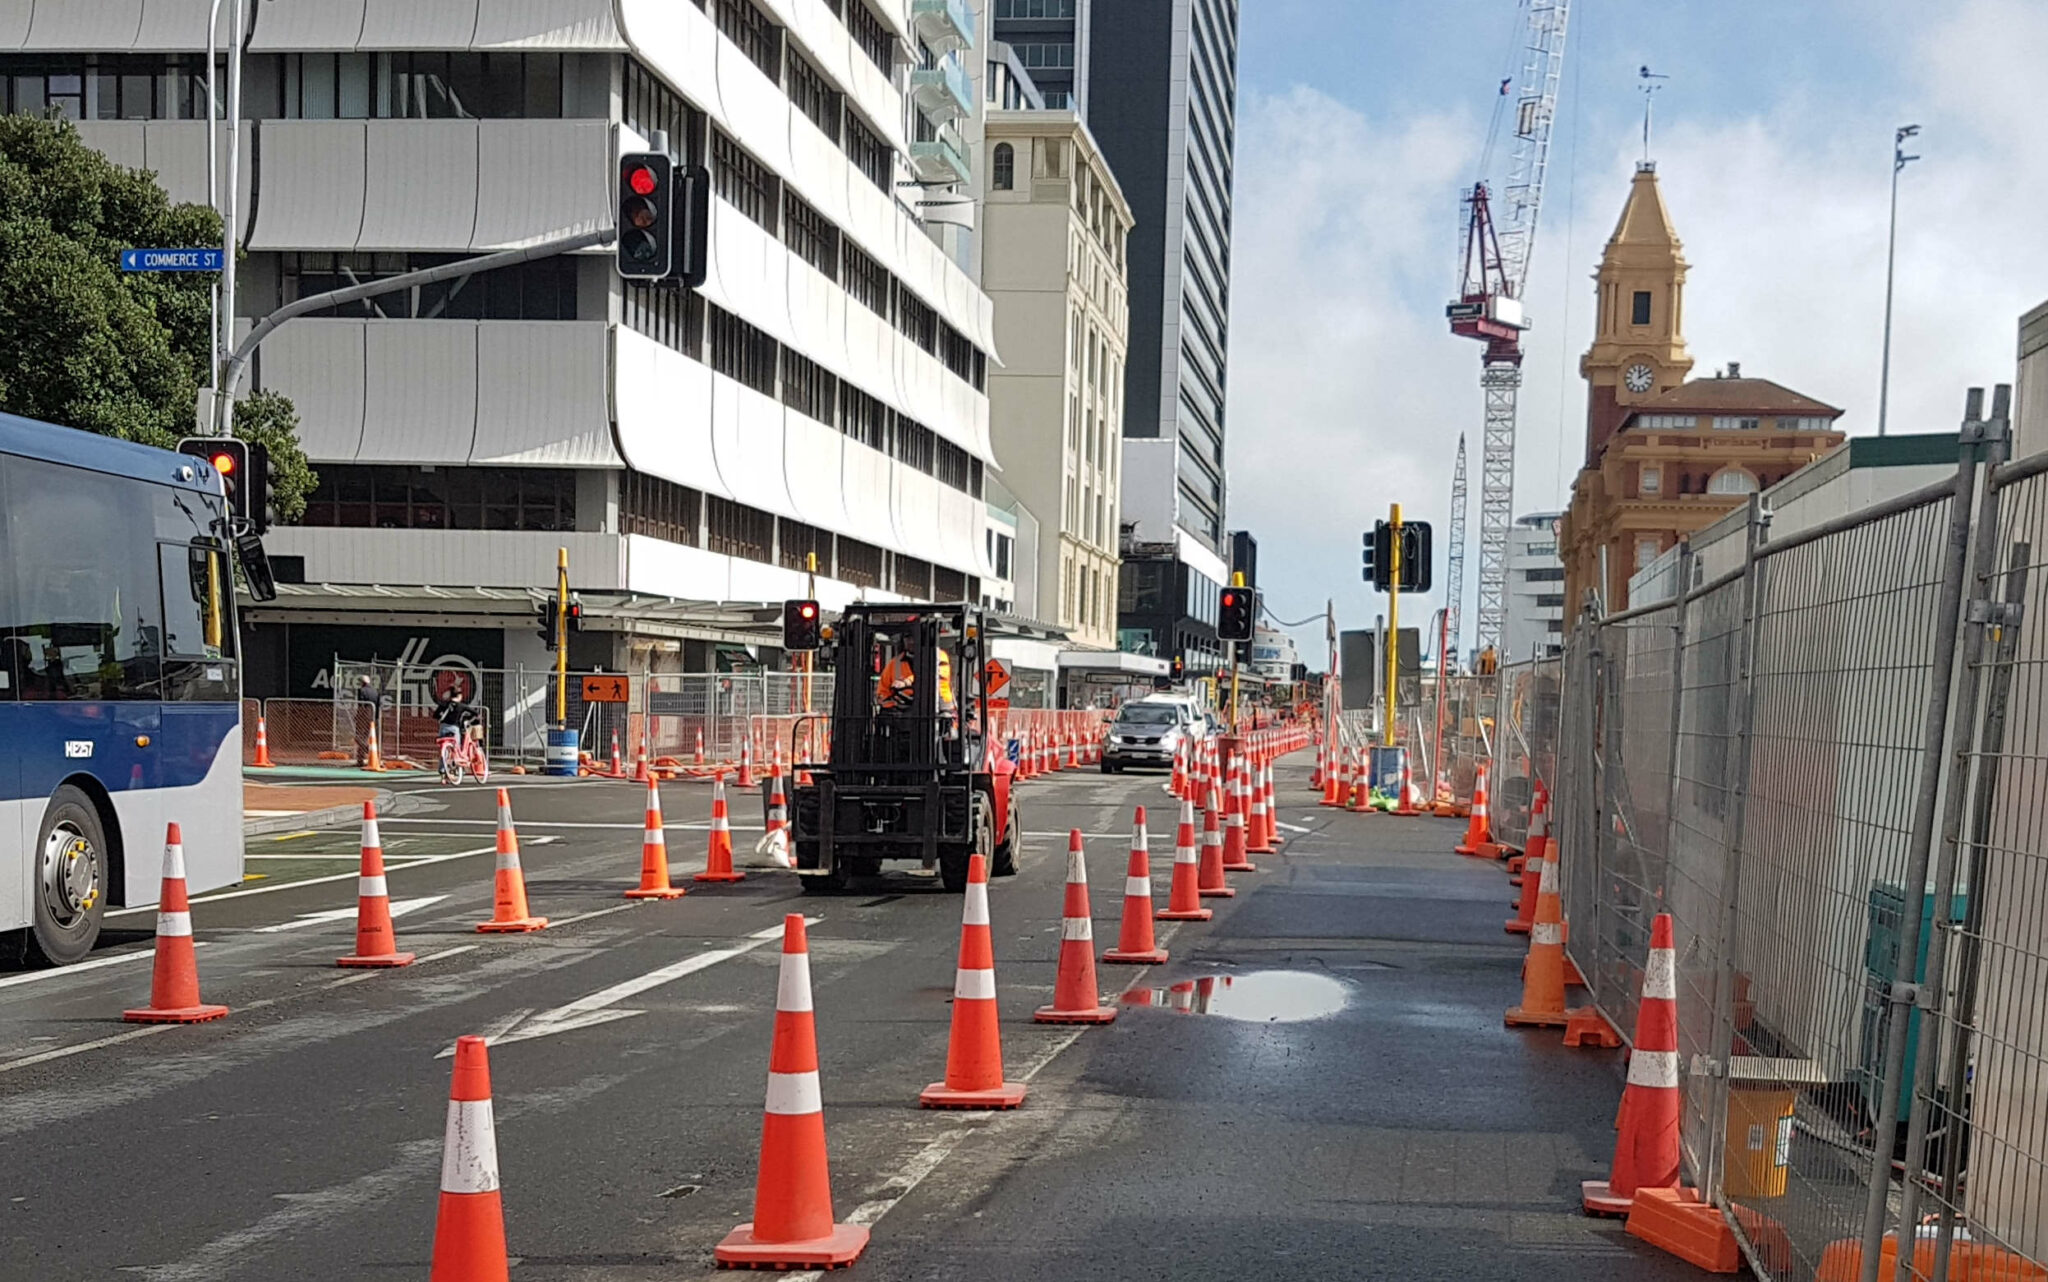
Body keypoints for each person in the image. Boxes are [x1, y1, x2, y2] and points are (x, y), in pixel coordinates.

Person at [352, 673, 385, 766]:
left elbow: (361, 704)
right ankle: (364, 756)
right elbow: (379, 705)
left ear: (362, 682)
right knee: (368, 736)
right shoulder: (375, 692)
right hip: (373, 716)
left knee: (359, 737)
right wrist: (377, 717)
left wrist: (358, 716)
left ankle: (365, 752)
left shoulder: (361, 690)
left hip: (364, 715)